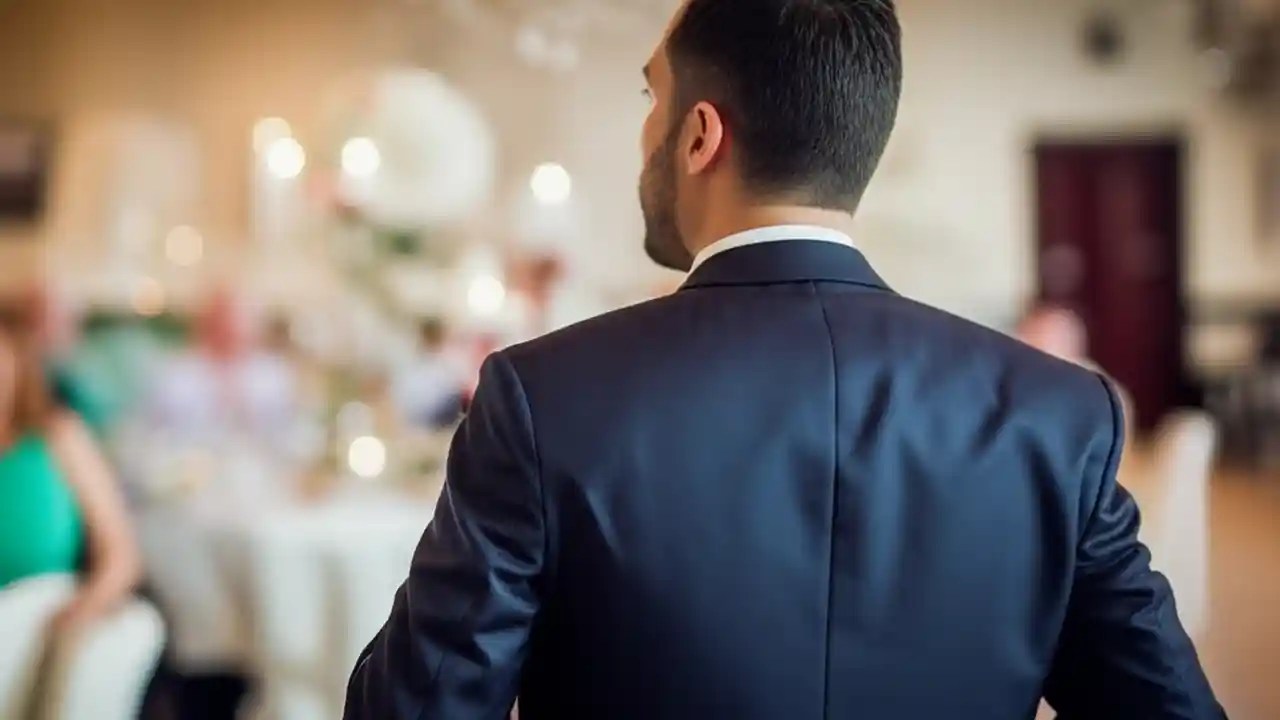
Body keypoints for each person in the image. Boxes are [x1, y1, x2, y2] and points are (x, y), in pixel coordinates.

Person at [345, 2, 1222, 718]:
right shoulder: (1056, 416)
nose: (643, 132)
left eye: (650, 99)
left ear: (699, 136)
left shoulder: (541, 398)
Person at [0, 311, 155, 717]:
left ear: (17, 362)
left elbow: (121, 554)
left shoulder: (59, 436)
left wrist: (86, 607)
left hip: (35, 630)